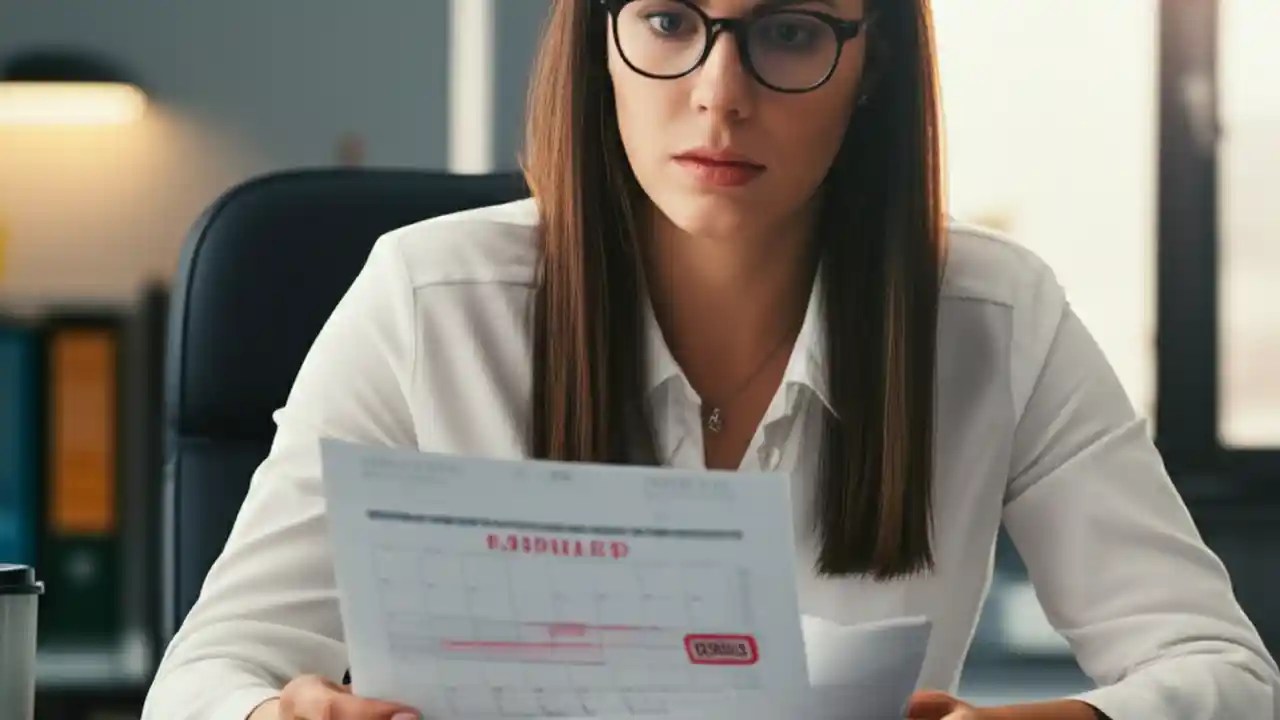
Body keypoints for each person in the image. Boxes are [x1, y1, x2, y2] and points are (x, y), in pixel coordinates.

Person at [142, 0, 1279, 718]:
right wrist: (272, 715)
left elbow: (1221, 674)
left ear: (869, 61)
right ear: (602, 41)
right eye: (670, 22)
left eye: (786, 31)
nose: (719, 95)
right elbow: (201, 679)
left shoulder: (993, 316)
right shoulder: (425, 301)